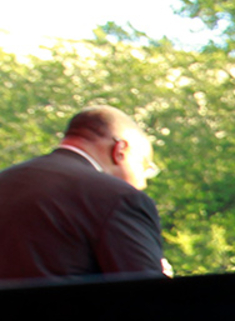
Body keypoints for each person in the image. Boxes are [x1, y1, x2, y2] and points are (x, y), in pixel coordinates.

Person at [0, 106, 171, 280]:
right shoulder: (119, 198)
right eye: (145, 166)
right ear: (120, 150)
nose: (142, 183)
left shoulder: (5, 180)